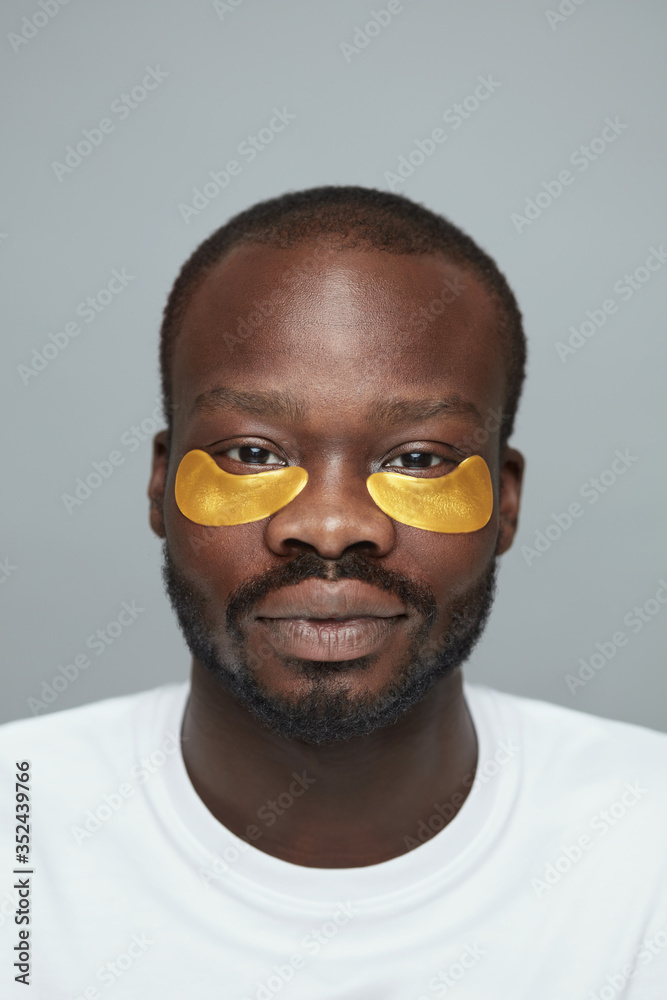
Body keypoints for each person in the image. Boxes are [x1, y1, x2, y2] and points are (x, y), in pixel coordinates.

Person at [1, 186, 665, 998]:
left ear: (506, 502)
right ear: (159, 484)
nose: (327, 524)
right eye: (250, 451)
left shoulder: (646, 844)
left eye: (418, 458)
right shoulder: (15, 827)